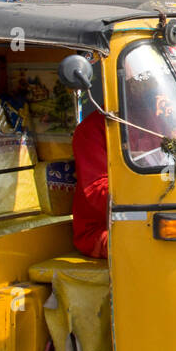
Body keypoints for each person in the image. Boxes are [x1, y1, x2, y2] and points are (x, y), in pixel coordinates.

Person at [71, 105, 109, 260]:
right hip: (102, 230)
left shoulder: (156, 121)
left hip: (147, 221)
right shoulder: (92, 128)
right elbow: (97, 189)